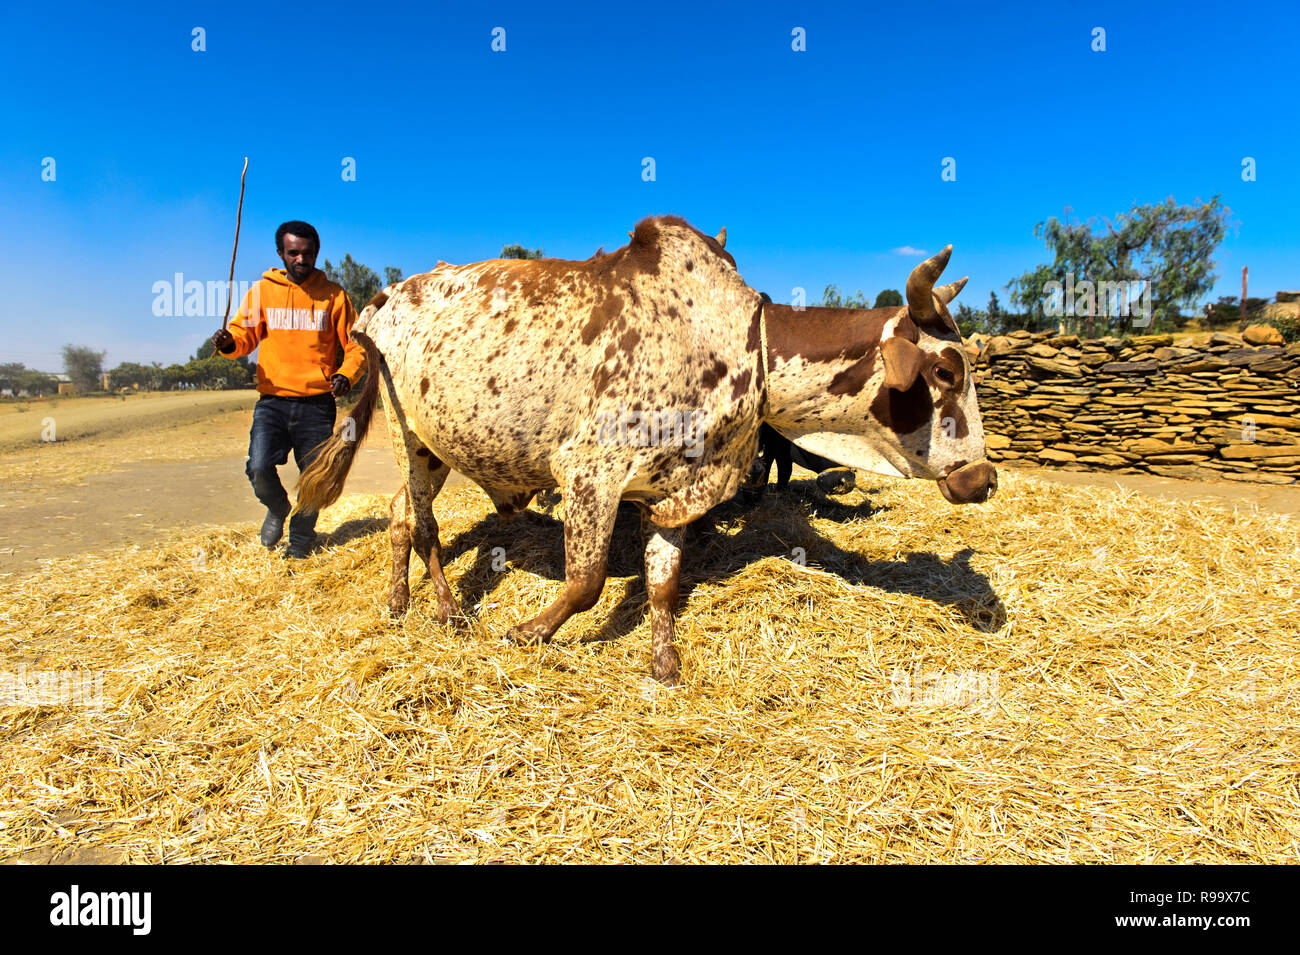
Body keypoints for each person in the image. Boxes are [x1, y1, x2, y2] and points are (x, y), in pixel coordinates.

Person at [211, 220, 365, 558]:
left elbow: (356, 346)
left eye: (307, 253)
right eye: (293, 253)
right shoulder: (263, 292)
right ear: (280, 253)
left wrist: (346, 374)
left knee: (314, 478)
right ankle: (278, 507)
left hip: (317, 404)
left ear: (316, 253)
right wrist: (228, 343)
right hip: (273, 402)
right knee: (258, 467)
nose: (301, 259)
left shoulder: (335, 296)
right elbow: (243, 337)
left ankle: (300, 543)